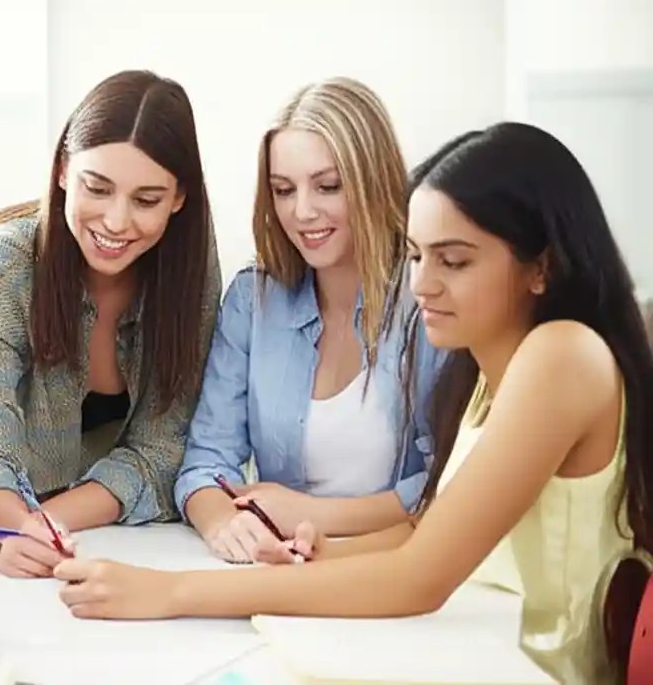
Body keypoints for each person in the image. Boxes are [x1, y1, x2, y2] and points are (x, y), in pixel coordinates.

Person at [52, 122, 653, 683]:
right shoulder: (491, 370)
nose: (421, 284)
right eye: (416, 255)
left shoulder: (562, 356)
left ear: (540, 268)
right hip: (474, 647)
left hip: (531, 668)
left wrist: (170, 594)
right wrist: (318, 555)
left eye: (455, 260)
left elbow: (419, 577)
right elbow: (430, 532)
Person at [0, 69, 222, 578]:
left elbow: (165, 446)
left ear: (179, 198)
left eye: (146, 200)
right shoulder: (0, 268)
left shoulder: (188, 274)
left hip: (103, 538)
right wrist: (15, 530)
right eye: (97, 187)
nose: (116, 221)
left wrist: (48, 521)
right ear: (64, 171)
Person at [175, 77, 443, 563]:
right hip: (282, 569)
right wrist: (224, 525)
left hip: (390, 567)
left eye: (328, 186)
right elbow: (205, 462)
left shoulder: (430, 301)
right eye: (282, 190)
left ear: (374, 181)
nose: (301, 212)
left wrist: (310, 514)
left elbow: (447, 485)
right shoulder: (251, 302)